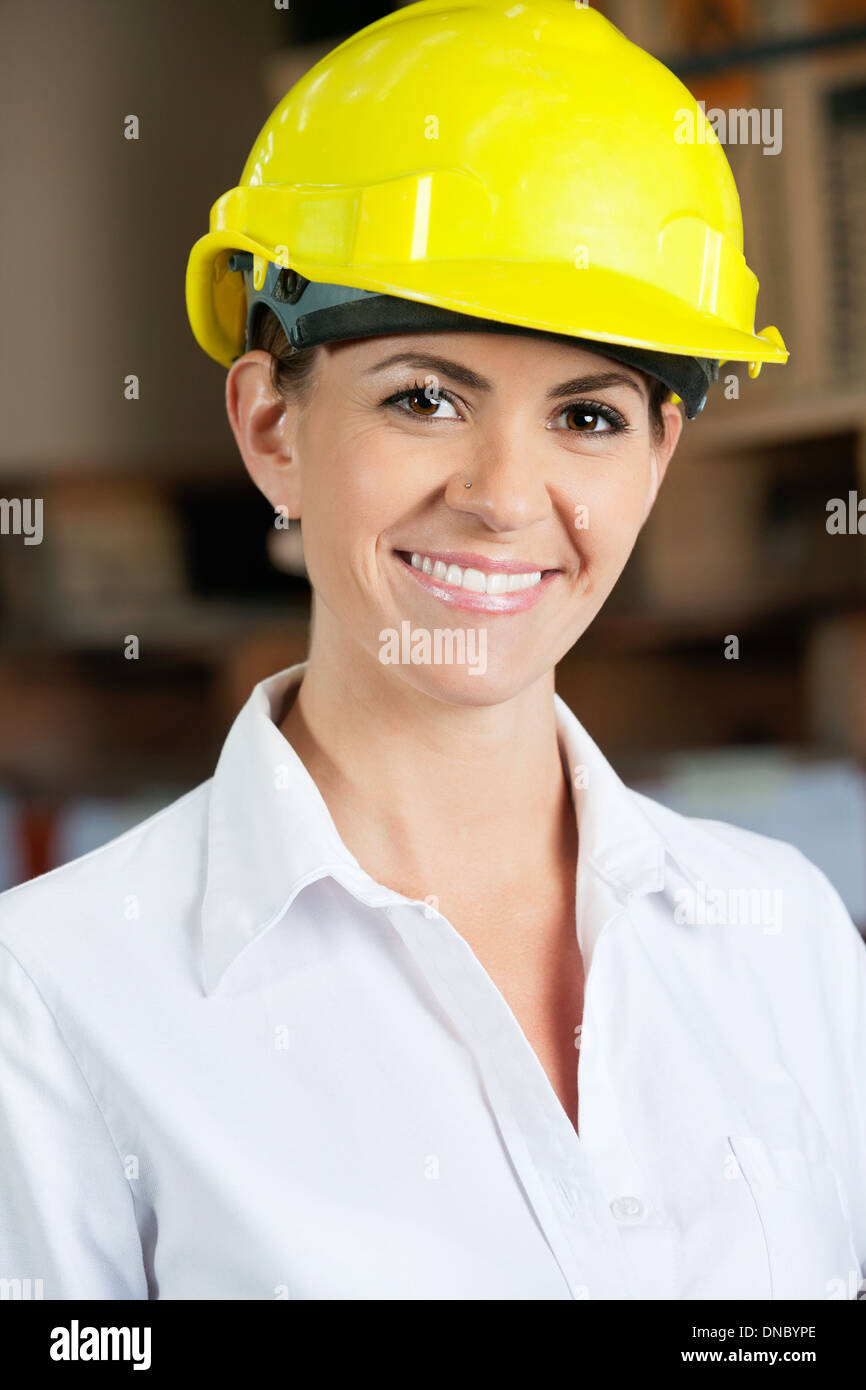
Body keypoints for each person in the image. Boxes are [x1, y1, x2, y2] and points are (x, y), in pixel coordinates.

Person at [1, 0, 863, 1302]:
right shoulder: (53, 998)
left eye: (586, 412)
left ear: (656, 460)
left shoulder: (782, 934)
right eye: (422, 395)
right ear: (270, 427)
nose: (506, 495)